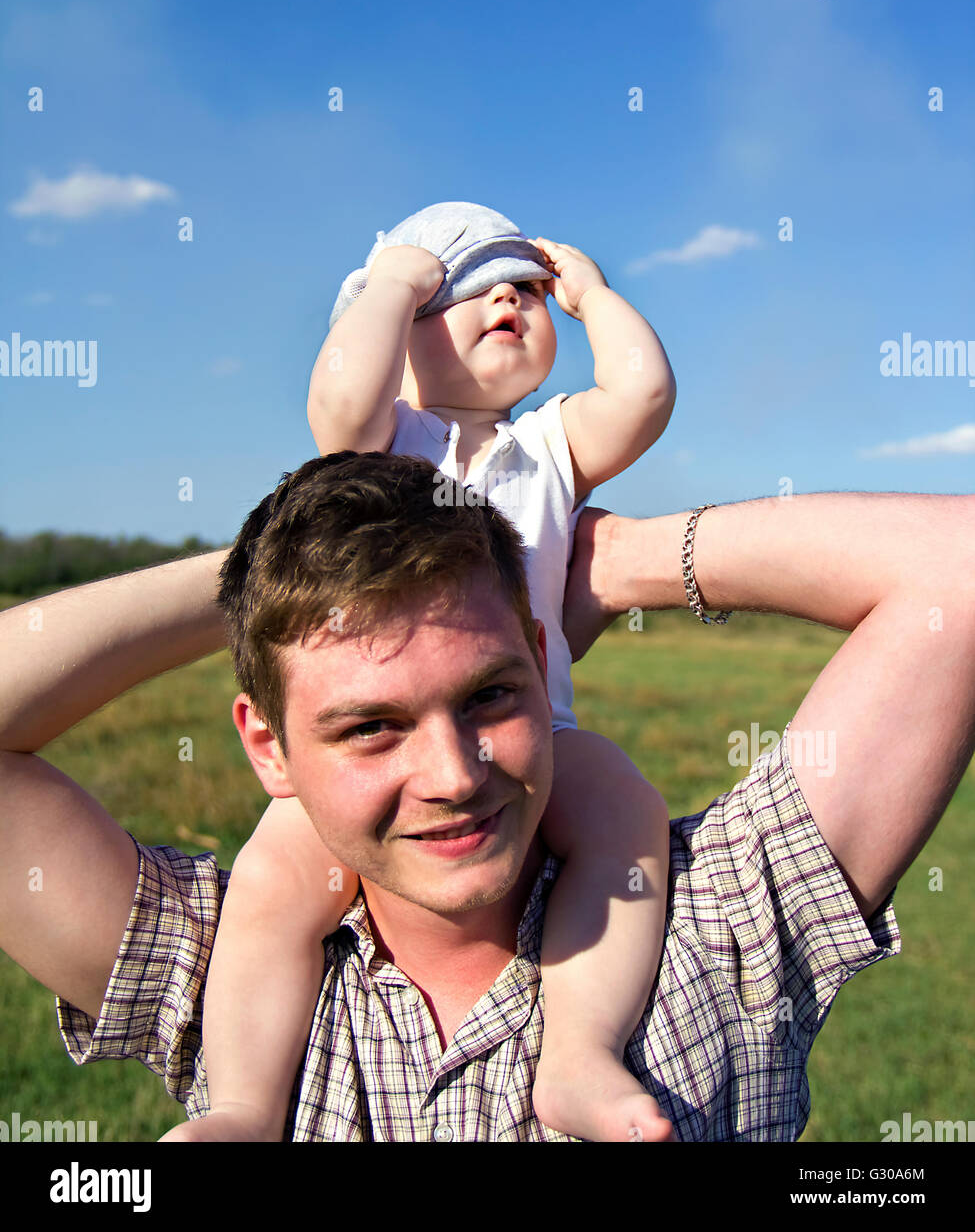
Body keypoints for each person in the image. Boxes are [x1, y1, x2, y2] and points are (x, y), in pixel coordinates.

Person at [0, 453, 972, 1141]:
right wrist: (258, 580)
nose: (456, 774)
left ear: (542, 666)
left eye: (490, 695)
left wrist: (615, 558)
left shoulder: (719, 921)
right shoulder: (232, 970)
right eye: (370, 725)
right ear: (270, 746)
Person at [181, 202, 679, 1144]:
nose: (508, 297)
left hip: (536, 731)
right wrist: (395, 279)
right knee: (275, 879)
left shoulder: (547, 445)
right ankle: (243, 1104)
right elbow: (333, 400)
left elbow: (644, 396)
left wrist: (594, 295)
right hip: (386, 744)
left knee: (622, 809)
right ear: (393, 334)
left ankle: (576, 1054)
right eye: (463, 287)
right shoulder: (386, 442)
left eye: (525, 288)